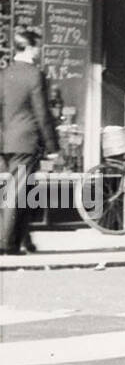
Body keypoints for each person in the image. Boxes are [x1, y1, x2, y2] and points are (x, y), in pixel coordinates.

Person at [0, 28, 60, 255]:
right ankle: (7, 244)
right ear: (30, 47)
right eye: (37, 47)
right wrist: (52, 146)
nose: (39, 51)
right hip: (26, 141)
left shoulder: (4, 74)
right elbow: (42, 112)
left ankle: (25, 240)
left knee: (20, 190)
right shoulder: (35, 74)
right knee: (17, 192)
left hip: (6, 141)